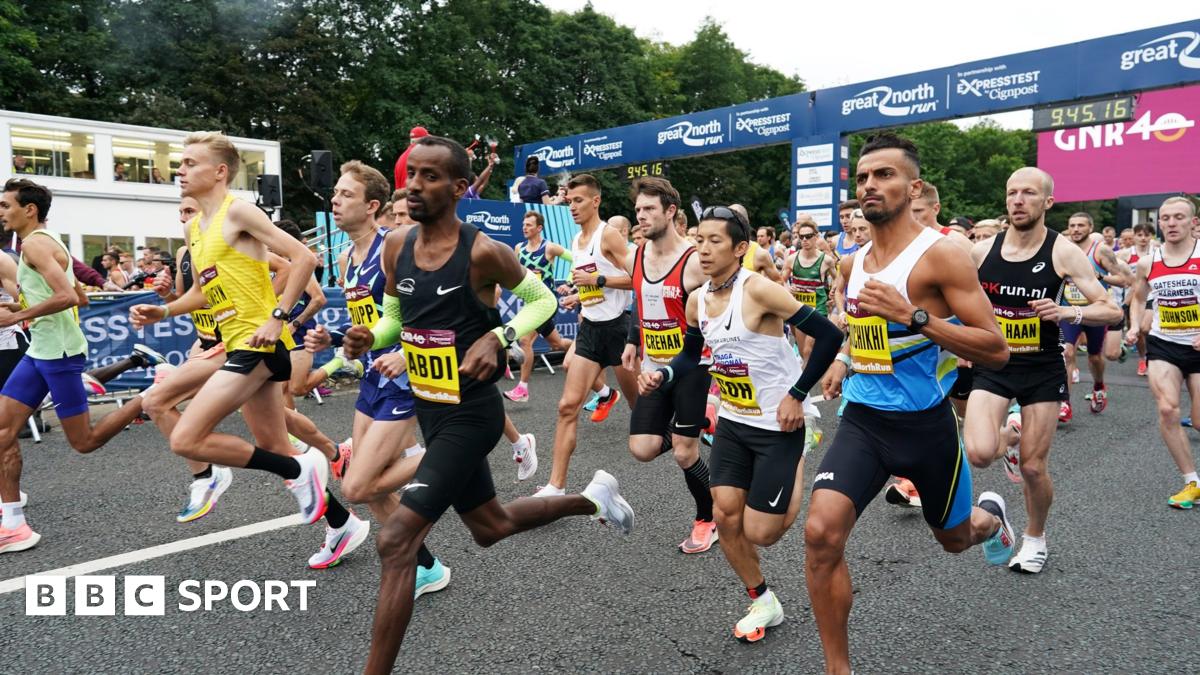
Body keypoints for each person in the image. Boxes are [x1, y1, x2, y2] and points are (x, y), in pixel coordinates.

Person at [339, 136, 634, 673]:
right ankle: (593, 499)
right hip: (429, 407)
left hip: (472, 413)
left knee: (397, 539)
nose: (415, 185)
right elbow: (393, 323)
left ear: (457, 189)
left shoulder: (482, 252)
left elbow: (543, 299)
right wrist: (368, 337)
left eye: (430, 177)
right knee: (490, 525)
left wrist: (499, 337)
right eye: (412, 175)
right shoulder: (394, 248)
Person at [807, 134, 1014, 674]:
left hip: (926, 427)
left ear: (913, 186)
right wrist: (841, 359)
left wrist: (914, 316)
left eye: (884, 175)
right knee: (821, 533)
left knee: (956, 540)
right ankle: (838, 668)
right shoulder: (851, 264)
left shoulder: (942, 254)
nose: (869, 186)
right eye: (862, 178)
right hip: (864, 419)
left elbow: (995, 348)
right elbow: (860, 331)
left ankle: (992, 517)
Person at [130, 132, 354, 552]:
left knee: (186, 438)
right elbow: (203, 291)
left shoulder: (240, 213)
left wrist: (277, 317)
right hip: (236, 344)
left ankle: (225, 474)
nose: (180, 170)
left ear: (219, 172)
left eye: (191, 163)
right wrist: (164, 310)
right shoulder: (196, 227)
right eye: (181, 163)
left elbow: (304, 259)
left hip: (260, 345)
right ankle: (342, 524)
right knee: (272, 445)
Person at [642, 203, 841, 641]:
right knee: (725, 516)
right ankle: (763, 600)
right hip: (733, 421)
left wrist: (797, 394)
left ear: (741, 248)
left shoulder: (760, 291)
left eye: (715, 241)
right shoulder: (697, 301)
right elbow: (691, 355)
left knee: (763, 532)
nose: (704, 249)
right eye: (699, 240)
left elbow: (830, 335)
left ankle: (802, 450)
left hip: (779, 424)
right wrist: (664, 374)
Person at [964, 167, 1120, 575]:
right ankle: (1008, 453)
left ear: (1047, 202)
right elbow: (952, 298)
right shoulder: (981, 251)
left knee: (1034, 467)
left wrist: (1070, 310)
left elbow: (1111, 308)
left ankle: (1035, 538)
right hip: (995, 363)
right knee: (979, 453)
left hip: (1041, 367)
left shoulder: (1063, 251)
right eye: (1012, 192)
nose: (1018, 200)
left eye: (1029, 193)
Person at [303, 159, 452, 580]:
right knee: (367, 484)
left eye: (345, 194)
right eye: (335, 193)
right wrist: (333, 341)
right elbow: (372, 326)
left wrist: (407, 353)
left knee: (357, 486)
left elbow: (436, 310)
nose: (334, 200)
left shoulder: (397, 246)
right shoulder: (349, 258)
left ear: (371, 206)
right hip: (373, 377)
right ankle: (427, 566)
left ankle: (451, 453)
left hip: (406, 378)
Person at [0, 178, 152, 553]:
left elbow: (67, 296)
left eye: (6, 205)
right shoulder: (42, 241)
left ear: (29, 209)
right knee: (2, 432)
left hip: (61, 354)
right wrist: (21, 309)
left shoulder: (34, 243)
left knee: (84, 442)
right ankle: (14, 522)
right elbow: (81, 296)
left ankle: (154, 394)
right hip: (42, 350)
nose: (1, 212)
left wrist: (17, 318)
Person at [619, 177, 717, 553]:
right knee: (642, 448)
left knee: (684, 453)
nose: (640, 217)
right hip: (654, 366)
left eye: (649, 209)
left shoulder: (695, 262)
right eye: (638, 210)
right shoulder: (637, 255)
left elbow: (722, 307)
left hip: (693, 368)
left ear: (671, 211)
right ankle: (693, 428)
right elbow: (640, 298)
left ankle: (708, 517)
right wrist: (632, 340)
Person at [536, 174, 637, 496]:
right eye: (569, 202)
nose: (572, 207)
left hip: (619, 330)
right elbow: (591, 282)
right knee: (567, 406)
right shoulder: (577, 240)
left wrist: (598, 282)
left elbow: (638, 278)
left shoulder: (608, 236)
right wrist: (578, 295)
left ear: (596, 201)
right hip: (590, 329)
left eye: (578, 201)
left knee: (645, 417)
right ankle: (556, 486)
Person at [1127, 196, 1200, 508]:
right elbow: (1139, 298)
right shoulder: (1149, 262)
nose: (1171, 223)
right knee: (1168, 409)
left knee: (1198, 421)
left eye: (1179, 217)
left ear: (1193, 223)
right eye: (1166, 218)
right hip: (1164, 343)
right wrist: (1133, 325)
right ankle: (1191, 481)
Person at [1058, 212, 1131, 418]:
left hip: (1095, 312)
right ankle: (1065, 402)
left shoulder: (1101, 251)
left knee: (1095, 356)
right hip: (1070, 311)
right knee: (1067, 352)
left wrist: (1099, 276)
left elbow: (1123, 280)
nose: (1076, 229)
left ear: (1090, 227)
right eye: (1072, 225)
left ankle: (1099, 386)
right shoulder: (1062, 250)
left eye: (1081, 225)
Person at [503, 211, 573, 404]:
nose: (524, 227)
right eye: (524, 224)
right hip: (530, 303)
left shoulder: (549, 248)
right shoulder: (519, 248)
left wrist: (568, 283)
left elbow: (575, 259)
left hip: (546, 303)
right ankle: (578, 347)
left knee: (525, 341)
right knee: (557, 344)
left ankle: (522, 389)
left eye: (529, 225)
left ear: (539, 228)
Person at [783, 221, 836, 361]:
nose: (805, 240)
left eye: (808, 236)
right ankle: (816, 373)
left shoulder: (826, 260)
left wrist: (833, 292)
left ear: (816, 236)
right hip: (800, 308)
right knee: (803, 352)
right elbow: (780, 280)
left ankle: (806, 380)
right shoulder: (791, 259)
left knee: (807, 350)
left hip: (818, 308)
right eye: (801, 237)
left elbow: (838, 279)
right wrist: (788, 288)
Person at [1122, 223, 1158, 376]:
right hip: (1131, 297)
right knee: (1137, 332)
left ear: (1151, 236)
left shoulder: (1157, 251)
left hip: (1151, 295)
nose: (1143, 238)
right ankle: (1143, 358)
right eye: (1140, 235)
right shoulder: (1125, 254)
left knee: (1145, 327)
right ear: (1134, 236)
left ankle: (1154, 357)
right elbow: (1114, 269)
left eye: (1146, 235)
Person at [729, 205, 781, 282]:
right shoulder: (718, 250)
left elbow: (778, 281)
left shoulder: (760, 254)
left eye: (733, 221)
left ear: (745, 222)